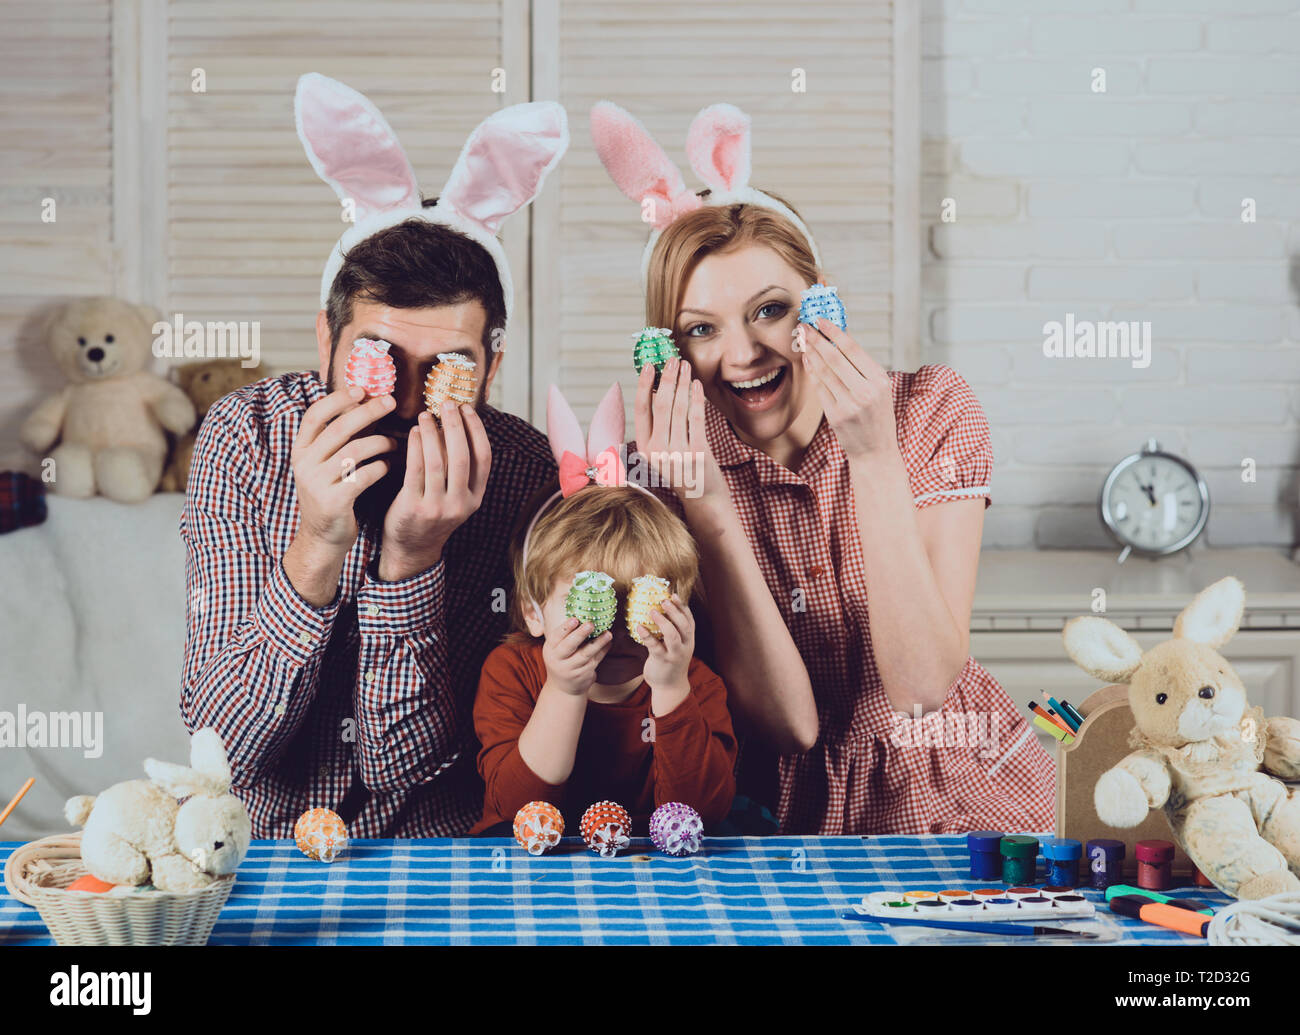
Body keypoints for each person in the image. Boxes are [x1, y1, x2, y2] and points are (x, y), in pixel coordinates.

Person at [590, 100, 1055, 835]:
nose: (743, 354)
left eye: (771, 310)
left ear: (820, 299)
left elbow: (921, 690)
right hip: (781, 815)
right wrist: (706, 505)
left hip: (955, 787)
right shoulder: (665, 468)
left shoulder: (929, 409)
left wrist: (872, 457)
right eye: (702, 329)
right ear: (671, 351)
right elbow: (790, 729)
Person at [179, 75, 568, 836]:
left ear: (490, 368)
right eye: (378, 357)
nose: (405, 404)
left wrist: (413, 561)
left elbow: (416, 768)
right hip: (261, 846)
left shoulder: (525, 471)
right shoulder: (244, 437)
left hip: (441, 854)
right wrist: (318, 544)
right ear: (326, 342)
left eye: (447, 370)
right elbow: (220, 750)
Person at [470, 385, 737, 836]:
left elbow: (701, 818)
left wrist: (670, 688)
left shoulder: (693, 683)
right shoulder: (511, 673)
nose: (615, 631)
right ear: (532, 611)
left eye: (639, 602)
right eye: (593, 601)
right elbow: (517, 813)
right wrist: (564, 691)